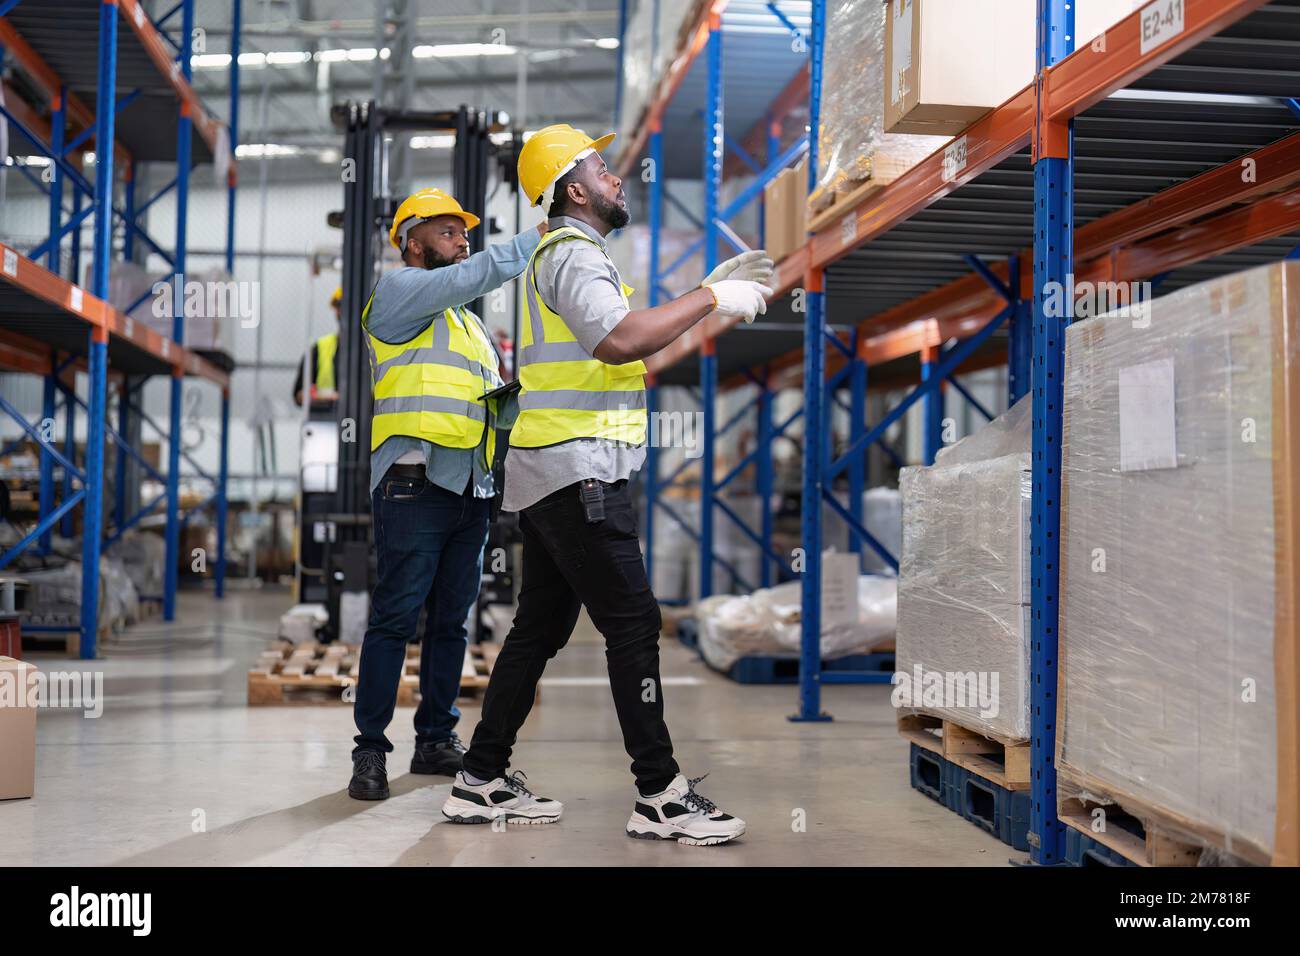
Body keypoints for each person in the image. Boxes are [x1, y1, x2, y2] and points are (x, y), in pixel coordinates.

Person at [442, 125, 773, 845]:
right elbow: (618, 339)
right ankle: (659, 791)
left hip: (553, 472)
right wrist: (711, 296)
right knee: (631, 624)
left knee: (539, 628)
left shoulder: (565, 258)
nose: (617, 177)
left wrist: (708, 296)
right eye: (601, 167)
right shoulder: (572, 255)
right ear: (573, 189)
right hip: (577, 474)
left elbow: (622, 341)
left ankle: (481, 777)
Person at [349, 187, 547, 800]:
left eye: (464, 232)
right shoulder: (398, 291)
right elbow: (479, 272)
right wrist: (543, 236)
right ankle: (370, 752)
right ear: (413, 241)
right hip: (413, 486)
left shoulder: (470, 327)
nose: (463, 240)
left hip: (469, 487)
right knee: (394, 618)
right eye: (448, 231)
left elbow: (480, 404)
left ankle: (435, 738)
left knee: (452, 623)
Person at [292, 287, 341, 406]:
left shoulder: (375, 350)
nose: (341, 311)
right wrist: (314, 397)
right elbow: (298, 395)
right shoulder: (320, 348)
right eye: (339, 306)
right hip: (326, 418)